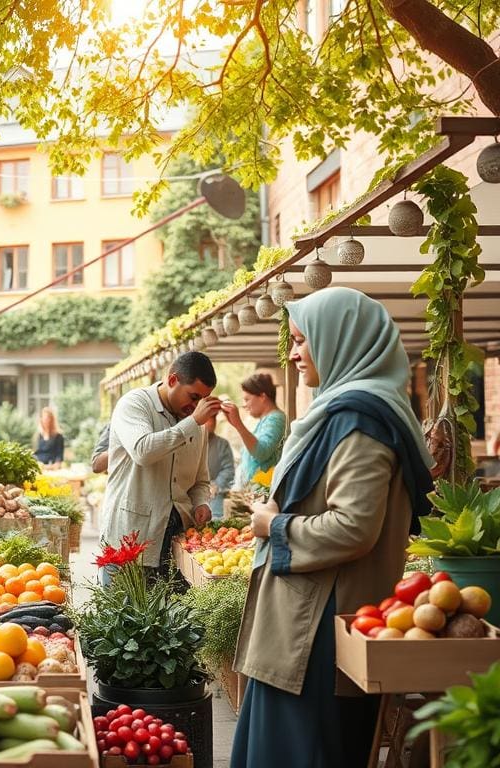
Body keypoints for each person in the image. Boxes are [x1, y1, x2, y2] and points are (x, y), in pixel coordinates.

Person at [231, 287, 435, 768]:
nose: (294, 352)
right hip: (305, 623)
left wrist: (273, 525)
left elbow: (353, 527)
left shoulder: (361, 422)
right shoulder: (342, 412)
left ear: (340, 339)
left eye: (303, 340)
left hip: (316, 634)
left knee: (304, 751)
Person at [101, 351, 222, 579]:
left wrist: (200, 504)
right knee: (119, 614)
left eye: (202, 400)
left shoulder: (197, 424)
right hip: (130, 543)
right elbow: (143, 451)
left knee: (171, 615)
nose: (196, 406)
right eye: (193, 396)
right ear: (172, 379)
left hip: (176, 545)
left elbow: (200, 481)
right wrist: (193, 422)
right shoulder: (134, 404)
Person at [220, 372, 287, 489]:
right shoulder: (266, 420)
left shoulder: (276, 419)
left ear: (262, 397)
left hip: (262, 496)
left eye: (247, 399)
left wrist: (238, 424)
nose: (244, 405)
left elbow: (261, 452)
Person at [205, 415, 235, 519]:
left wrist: (216, 485)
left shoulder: (222, 444)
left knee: (215, 520)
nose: (212, 423)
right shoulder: (188, 443)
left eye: (213, 419)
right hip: (191, 494)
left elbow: (229, 469)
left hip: (214, 493)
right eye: (208, 419)